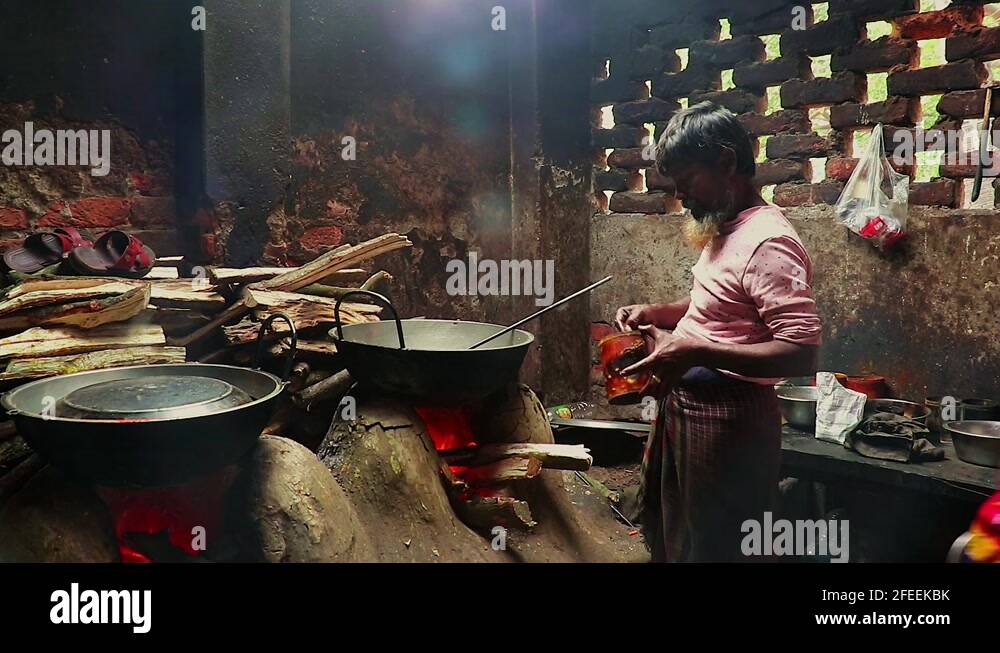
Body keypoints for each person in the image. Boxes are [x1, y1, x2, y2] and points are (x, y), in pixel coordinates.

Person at [615, 102, 821, 562]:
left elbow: (801, 352)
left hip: (730, 421)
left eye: (688, 183)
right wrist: (658, 313)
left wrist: (694, 352)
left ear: (726, 162)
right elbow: (719, 303)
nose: (682, 197)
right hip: (689, 406)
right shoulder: (727, 227)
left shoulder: (769, 242)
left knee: (718, 545)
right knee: (680, 534)